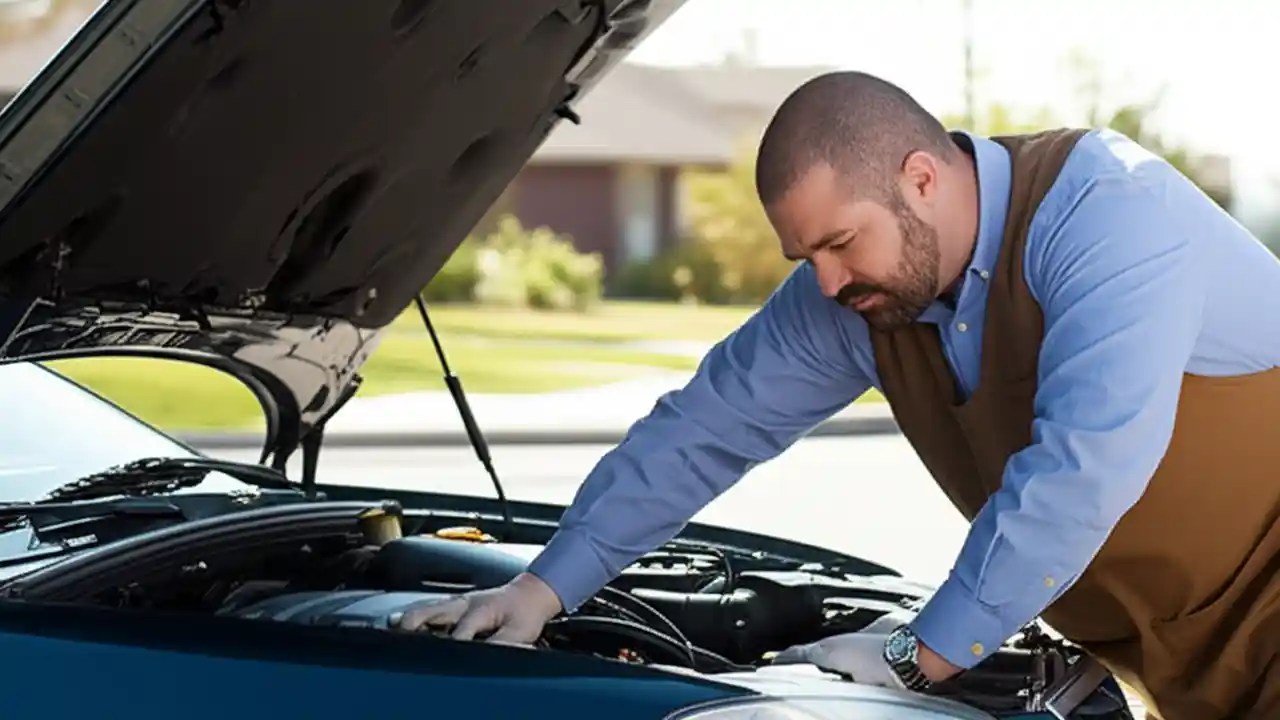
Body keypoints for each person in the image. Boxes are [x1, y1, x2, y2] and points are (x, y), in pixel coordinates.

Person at [396, 71, 1280, 720]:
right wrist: (544, 588)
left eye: (840, 243)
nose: (824, 283)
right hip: (1174, 673)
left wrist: (910, 656)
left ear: (921, 179)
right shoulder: (861, 294)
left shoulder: (1109, 217)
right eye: (805, 256)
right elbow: (705, 427)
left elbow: (1081, 473)